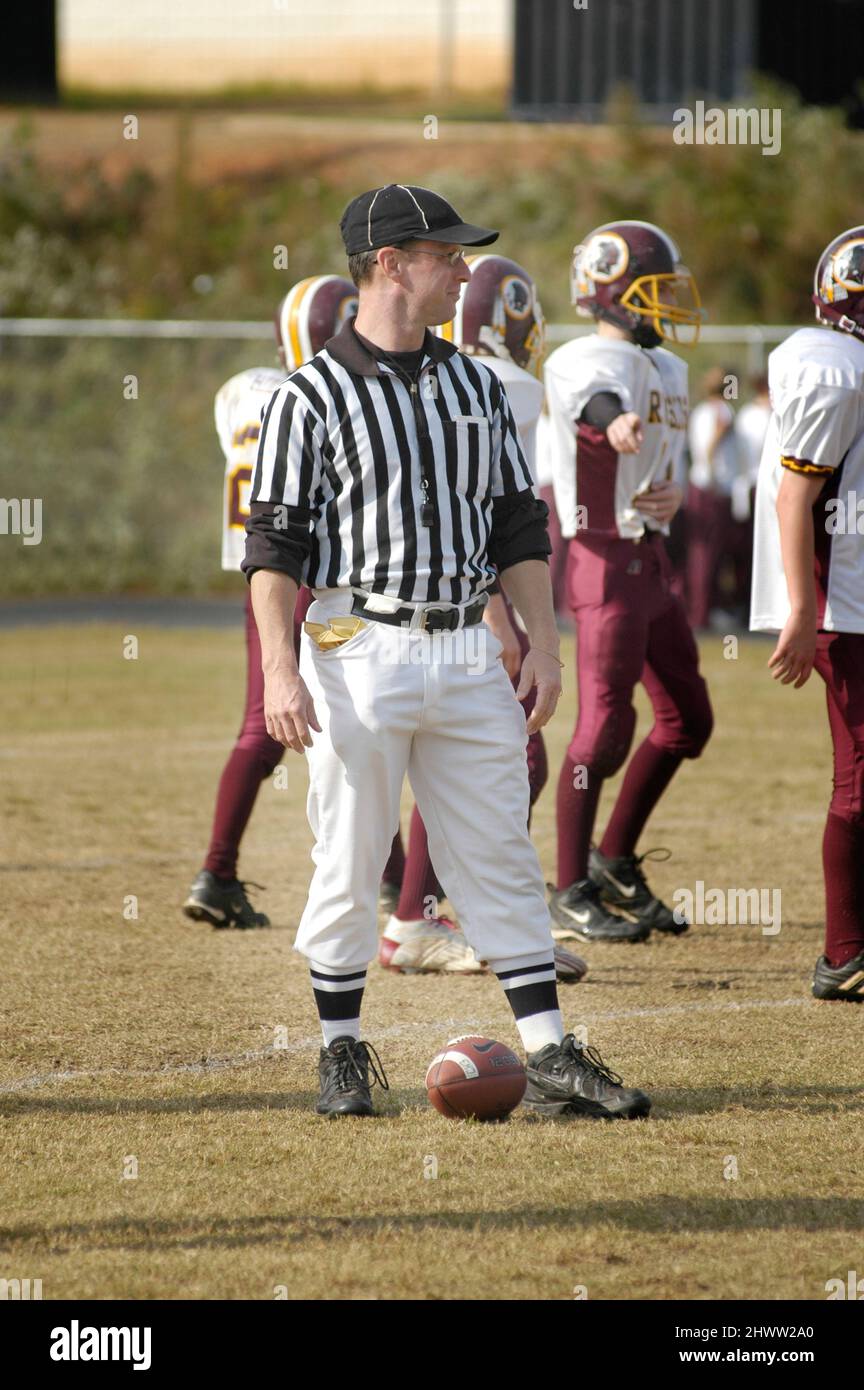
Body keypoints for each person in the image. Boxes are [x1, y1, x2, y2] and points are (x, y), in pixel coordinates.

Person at [243, 183, 649, 1118]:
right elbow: (274, 551)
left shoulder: (474, 382)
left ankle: (548, 1053)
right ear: (391, 265)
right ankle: (341, 1052)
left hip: (467, 643)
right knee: (347, 856)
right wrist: (275, 669)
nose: (464, 269)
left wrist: (543, 647)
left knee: (501, 854)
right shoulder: (309, 396)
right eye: (445, 256)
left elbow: (518, 528)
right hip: (356, 642)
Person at [376, 254, 585, 983]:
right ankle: (443, 919)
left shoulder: (432, 373)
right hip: (461, 601)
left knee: (474, 756)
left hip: (404, 599)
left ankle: (448, 915)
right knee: (502, 755)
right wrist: (502, 618)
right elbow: (490, 517)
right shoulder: (501, 384)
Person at [182, 275, 406, 927]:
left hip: (260, 572)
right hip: (311, 573)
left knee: (354, 720)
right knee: (351, 719)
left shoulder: (240, 394)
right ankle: (221, 871)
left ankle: (226, 874)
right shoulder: (325, 398)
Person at [544, 220, 714, 944]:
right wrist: (615, 427)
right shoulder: (581, 357)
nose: (667, 304)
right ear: (614, 293)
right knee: (604, 725)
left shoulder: (669, 369)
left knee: (687, 720)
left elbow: (662, 467)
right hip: (602, 558)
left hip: (651, 559)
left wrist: (672, 494)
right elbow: (596, 406)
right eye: (654, 290)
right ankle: (569, 885)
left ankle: (613, 859)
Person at [751, 225, 864, 1002]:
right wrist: (802, 608)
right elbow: (798, 494)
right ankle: (843, 953)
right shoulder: (834, 368)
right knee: (860, 780)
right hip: (845, 604)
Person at [686, 365, 749, 629]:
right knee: (708, 554)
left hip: (704, 487)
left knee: (703, 553)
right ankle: (702, 614)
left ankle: (701, 611)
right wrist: (711, 472)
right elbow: (709, 449)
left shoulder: (701, 411)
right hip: (712, 490)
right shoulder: (719, 412)